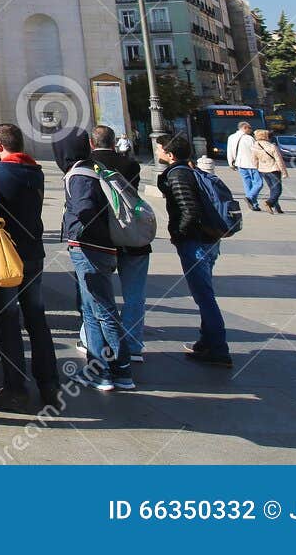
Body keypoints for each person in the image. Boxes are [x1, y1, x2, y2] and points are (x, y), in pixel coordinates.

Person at [0, 122, 60, 410]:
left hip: (8, 258)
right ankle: (49, 384)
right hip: (34, 255)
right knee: (37, 321)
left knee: (7, 321)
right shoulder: (36, 172)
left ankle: (15, 387)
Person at [58, 126, 134, 392]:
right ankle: (112, 368)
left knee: (97, 310)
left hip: (89, 247)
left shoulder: (79, 174)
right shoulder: (97, 169)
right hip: (104, 247)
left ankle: (108, 370)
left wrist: (80, 230)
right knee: (97, 308)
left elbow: (83, 208)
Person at [155, 133, 233, 366]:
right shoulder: (189, 171)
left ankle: (219, 349)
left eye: (160, 149)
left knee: (204, 296)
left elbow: (189, 210)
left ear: (170, 155)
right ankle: (206, 341)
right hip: (208, 240)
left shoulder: (177, 174)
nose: (157, 152)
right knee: (204, 293)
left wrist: (178, 234)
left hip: (195, 242)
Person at [91, 123, 150, 363]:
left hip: (100, 236)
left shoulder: (87, 165)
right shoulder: (131, 164)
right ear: (114, 142)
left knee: (95, 293)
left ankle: (98, 342)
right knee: (135, 293)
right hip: (131, 233)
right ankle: (133, 344)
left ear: (92, 143)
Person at [225, 120, 263, 211]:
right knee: (259, 183)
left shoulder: (231, 137)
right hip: (251, 164)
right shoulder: (249, 138)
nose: (251, 130)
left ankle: (254, 204)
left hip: (239, 164)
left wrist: (230, 163)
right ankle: (250, 198)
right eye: (249, 128)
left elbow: (229, 151)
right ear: (244, 128)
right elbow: (256, 151)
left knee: (247, 184)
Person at [251, 128, 288, 215]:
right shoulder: (272, 146)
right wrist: (284, 172)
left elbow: (254, 160)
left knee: (272, 188)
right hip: (273, 169)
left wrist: (257, 169)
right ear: (266, 136)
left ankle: (277, 207)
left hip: (263, 170)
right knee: (278, 190)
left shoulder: (254, 147)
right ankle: (269, 203)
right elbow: (279, 160)